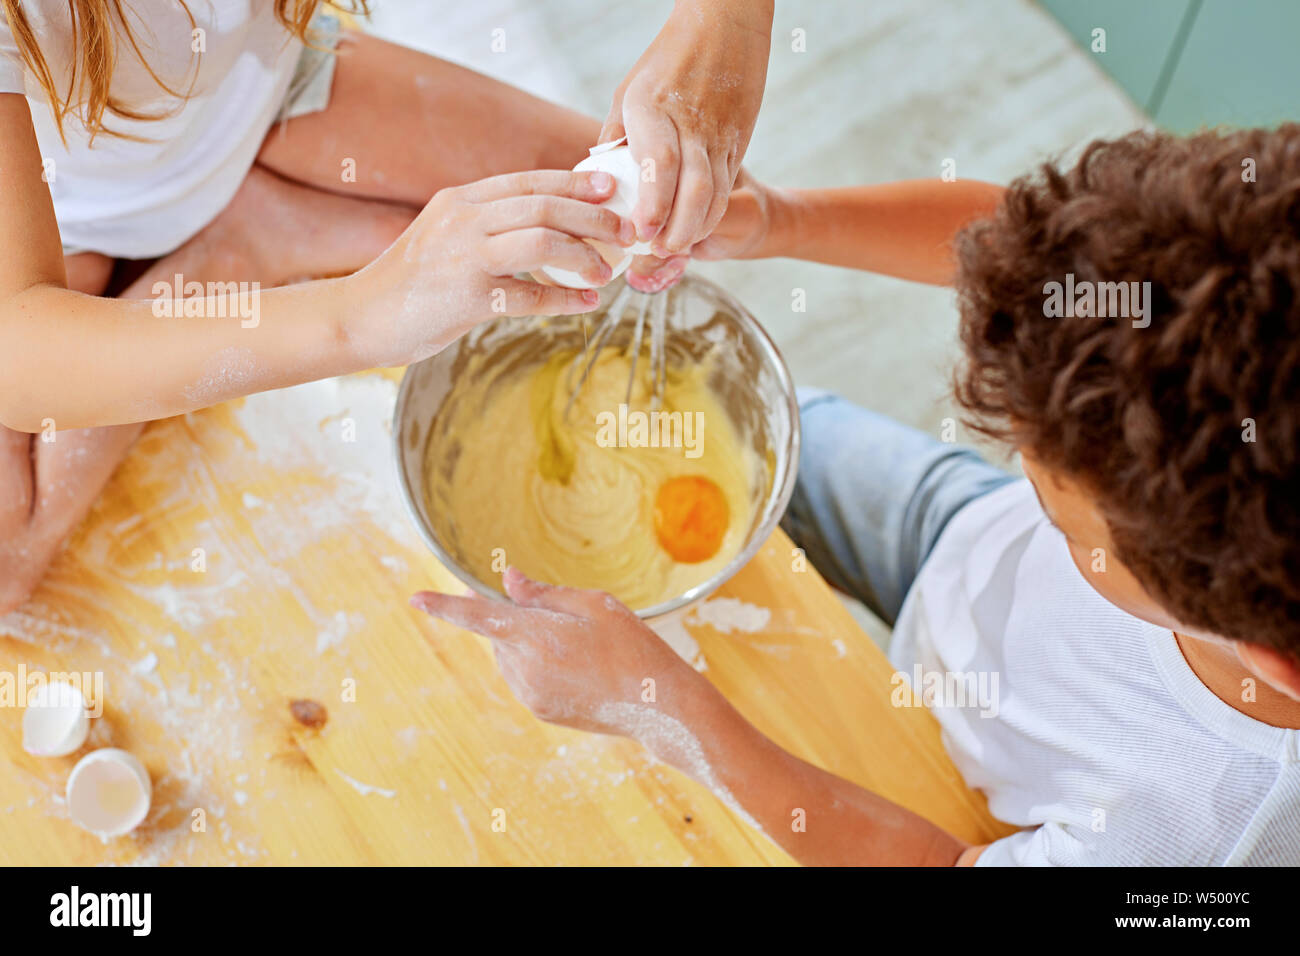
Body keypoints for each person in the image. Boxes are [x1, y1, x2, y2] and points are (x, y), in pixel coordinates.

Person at [414, 125, 1300, 866]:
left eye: (1066, 524)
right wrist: (777, 218)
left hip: (954, 764)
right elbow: (1019, 255)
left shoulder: (1200, 837)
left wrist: (664, 707)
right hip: (951, 531)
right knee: (794, 429)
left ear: (1270, 660)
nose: (1036, 501)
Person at [0, 0, 775, 613]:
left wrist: (724, 23)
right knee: (10, 555)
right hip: (56, 213)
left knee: (686, 209)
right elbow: (20, 354)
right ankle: (245, 245)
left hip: (264, 96)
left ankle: (253, 231)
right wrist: (360, 314)